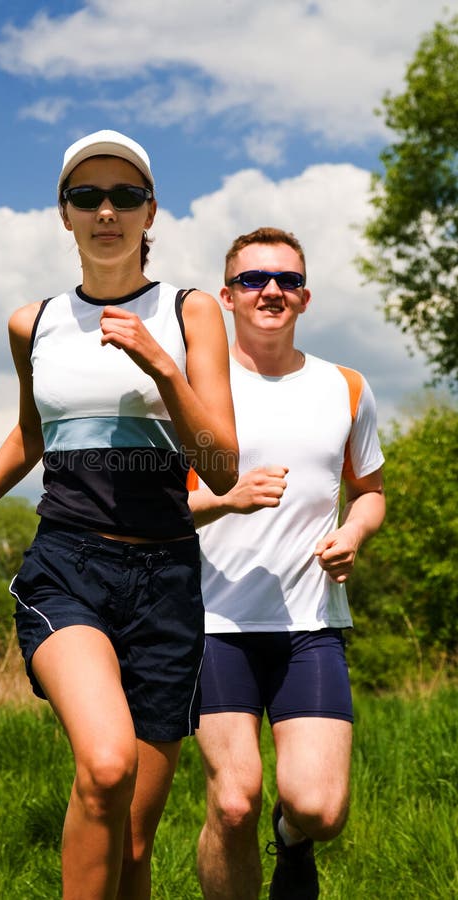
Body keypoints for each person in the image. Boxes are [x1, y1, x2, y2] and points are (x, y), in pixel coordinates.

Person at [0, 129, 238, 900]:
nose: (107, 211)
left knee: (133, 840)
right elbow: (31, 435)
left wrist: (163, 367)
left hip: (166, 576)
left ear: (150, 212)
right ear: (64, 215)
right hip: (69, 565)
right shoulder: (31, 324)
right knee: (105, 765)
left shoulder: (192, 311)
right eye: (87, 197)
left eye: (125, 196)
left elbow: (224, 466)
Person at [189, 227, 385, 899]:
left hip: (310, 624)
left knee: (321, 810)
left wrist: (355, 532)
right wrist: (226, 499)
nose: (270, 290)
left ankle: (294, 838)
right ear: (227, 297)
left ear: (305, 297)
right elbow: (150, 510)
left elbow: (370, 493)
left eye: (286, 280)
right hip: (213, 623)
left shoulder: (347, 387)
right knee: (234, 801)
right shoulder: (192, 390)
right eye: (253, 280)